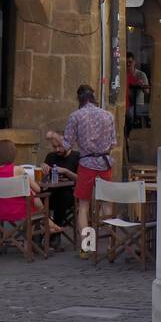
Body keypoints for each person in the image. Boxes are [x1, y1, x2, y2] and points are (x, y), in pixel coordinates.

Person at [63, 85, 117, 256]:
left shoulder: (75, 116)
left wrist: (54, 136)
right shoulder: (108, 115)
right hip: (104, 163)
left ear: (79, 99)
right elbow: (113, 143)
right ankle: (110, 244)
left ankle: (87, 246)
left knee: (84, 206)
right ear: (93, 97)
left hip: (86, 163)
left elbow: (66, 145)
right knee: (107, 204)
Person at [0, 139, 42, 224]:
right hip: (17, 211)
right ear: (11, 154)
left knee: (31, 197)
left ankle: (50, 227)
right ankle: (49, 228)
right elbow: (38, 189)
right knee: (36, 200)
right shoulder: (18, 170)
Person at [42, 130, 80, 230]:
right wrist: (43, 167)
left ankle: (56, 231)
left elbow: (81, 180)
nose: (57, 149)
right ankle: (39, 232)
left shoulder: (77, 157)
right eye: (54, 147)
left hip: (70, 194)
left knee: (62, 195)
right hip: (51, 192)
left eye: (60, 146)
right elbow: (45, 178)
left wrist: (66, 172)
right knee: (36, 197)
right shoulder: (51, 156)